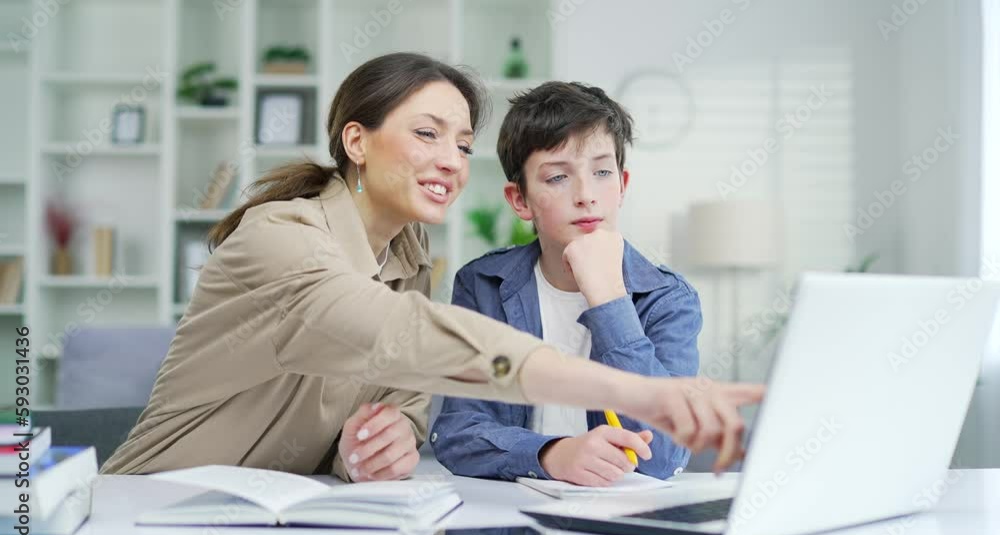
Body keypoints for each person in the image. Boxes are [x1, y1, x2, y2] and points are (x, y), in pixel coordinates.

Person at [100, 53, 762, 483]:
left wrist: (371, 449)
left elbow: (404, 414)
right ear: (355, 140)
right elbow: (411, 339)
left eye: (464, 143)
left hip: (277, 520)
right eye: (427, 133)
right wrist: (637, 392)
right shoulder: (281, 237)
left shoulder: (410, 265)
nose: (452, 158)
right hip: (149, 508)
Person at [432, 82, 704, 486]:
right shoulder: (482, 284)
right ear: (520, 200)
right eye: (558, 177)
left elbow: (664, 456)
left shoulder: (667, 298)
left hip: (623, 521)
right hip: (516, 506)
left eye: (601, 172)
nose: (586, 195)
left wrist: (610, 299)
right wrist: (553, 454)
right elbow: (456, 432)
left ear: (623, 186)